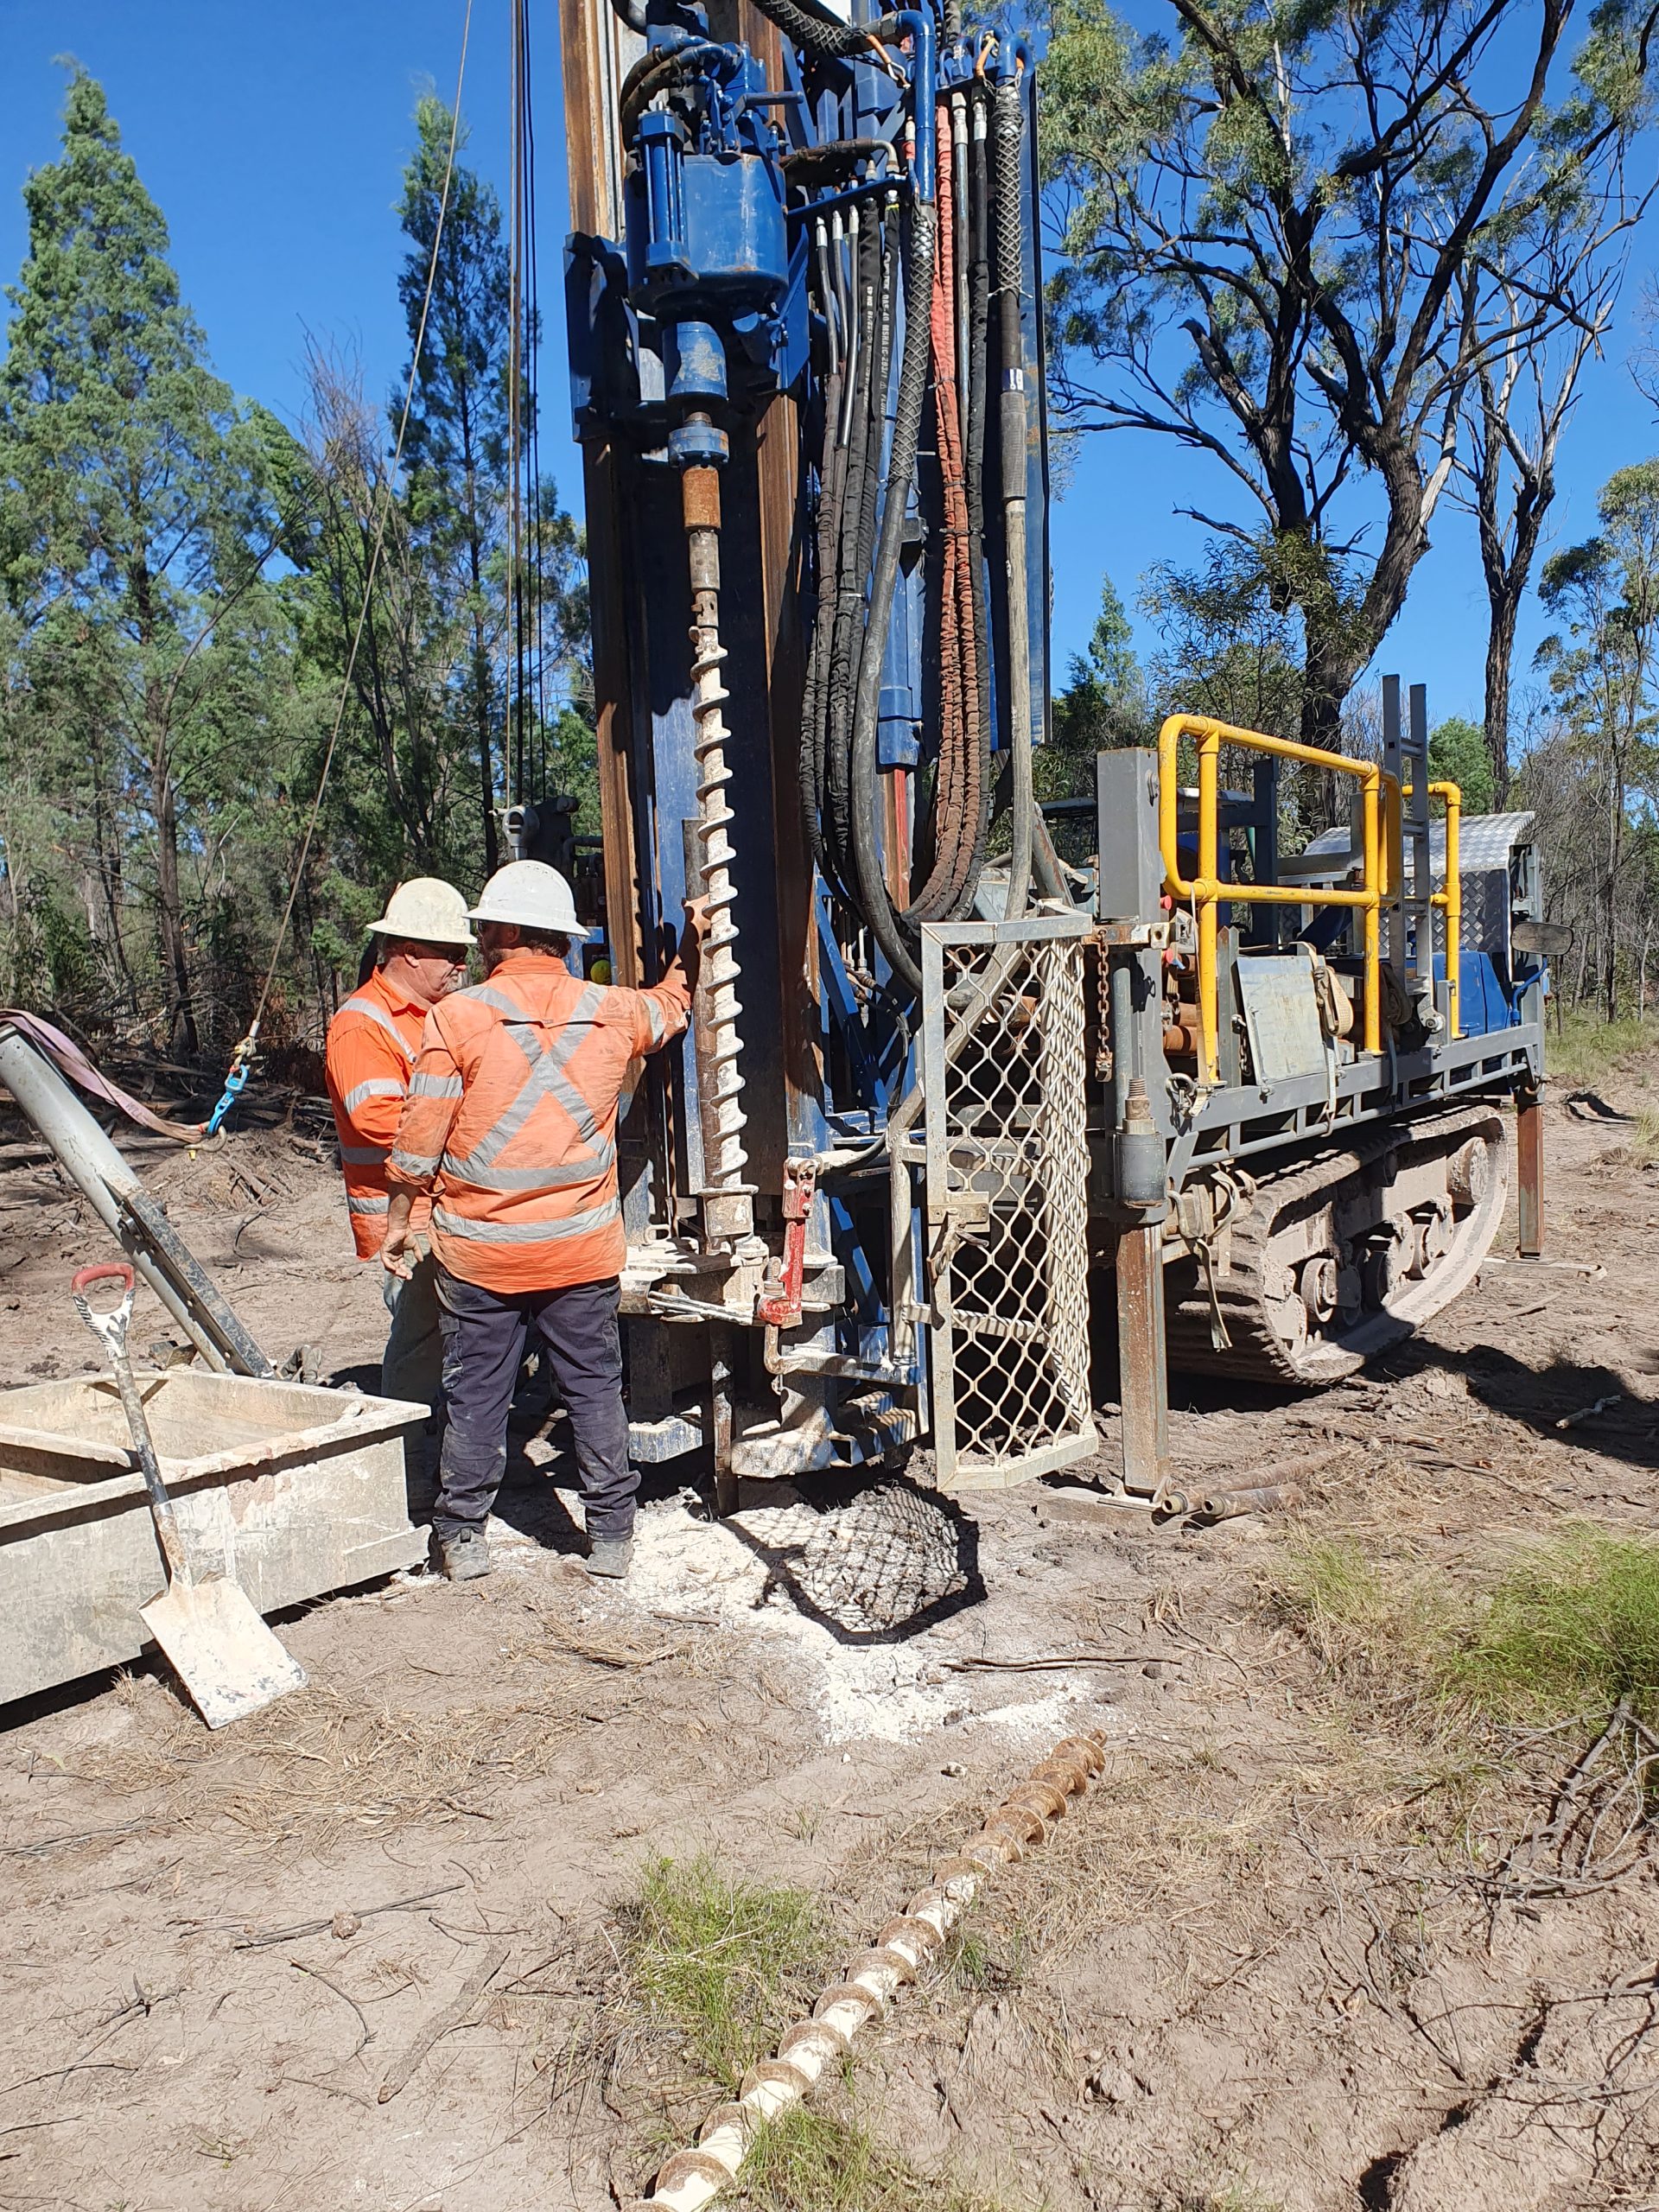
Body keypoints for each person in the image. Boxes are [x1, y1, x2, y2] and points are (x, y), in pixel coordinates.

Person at [381, 860, 707, 1582]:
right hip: (580, 1253)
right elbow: (674, 1005)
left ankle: (463, 1540)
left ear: (500, 932)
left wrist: (402, 1217)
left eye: (483, 930)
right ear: (562, 938)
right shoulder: (615, 1010)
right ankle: (612, 1538)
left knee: (475, 1397)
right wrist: (694, 938)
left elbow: (419, 1140)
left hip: (482, 1259)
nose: (476, 942)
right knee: (593, 1390)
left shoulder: (456, 1017)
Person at [324, 878, 473, 1406]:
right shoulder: (362, 1024)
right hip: (408, 1216)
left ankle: (453, 1432)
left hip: (446, 1203)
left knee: (464, 1332)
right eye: (450, 954)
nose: (461, 966)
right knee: (423, 1338)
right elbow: (375, 1117)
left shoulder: (439, 1015)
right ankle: (411, 1442)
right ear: (409, 953)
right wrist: (471, 1131)